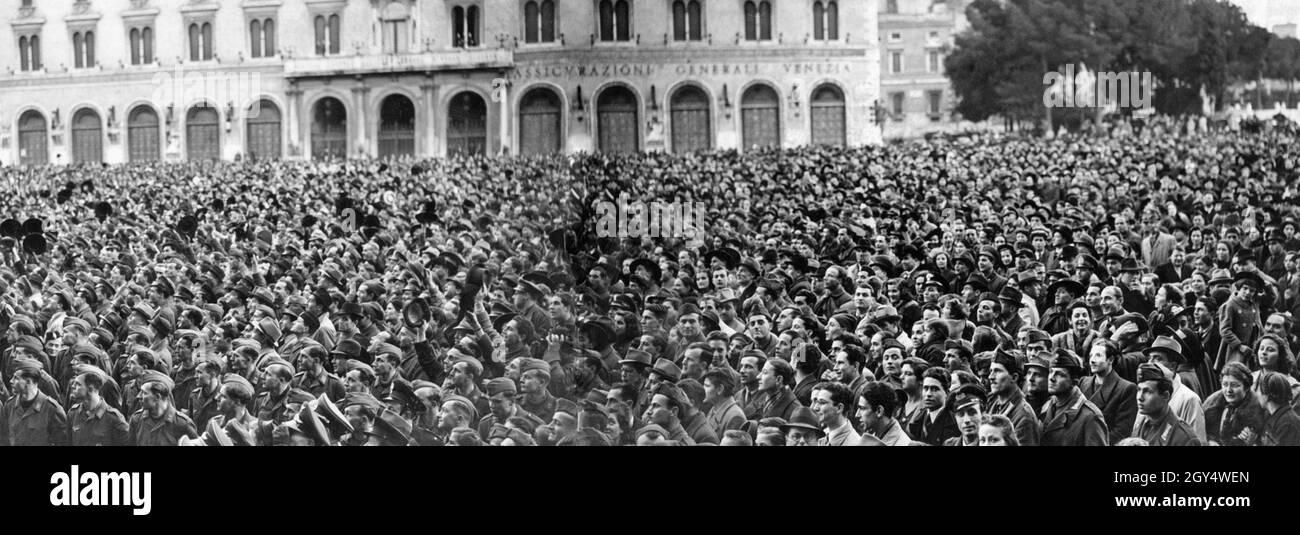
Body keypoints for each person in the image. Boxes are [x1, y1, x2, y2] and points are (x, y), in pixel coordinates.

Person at [1039, 350, 1108, 446]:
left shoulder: (1090, 416)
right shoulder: (1048, 407)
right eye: (1051, 372)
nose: (1051, 378)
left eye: (1059, 374)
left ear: (1074, 381)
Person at [1080, 339, 1138, 446]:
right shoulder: (1083, 382)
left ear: (1110, 360)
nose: (1092, 360)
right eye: (1091, 355)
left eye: (1098, 355)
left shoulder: (1126, 389)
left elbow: (1121, 432)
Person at [1132, 363, 1201, 446]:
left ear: (1165, 396)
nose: (1140, 397)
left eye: (1148, 391)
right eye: (1139, 390)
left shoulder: (1184, 437)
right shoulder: (1140, 425)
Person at [984, 350, 1041, 446]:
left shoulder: (1024, 416)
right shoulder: (993, 402)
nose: (990, 377)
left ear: (1014, 378)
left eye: (997, 371)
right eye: (991, 371)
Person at [1202, 362, 1265, 446]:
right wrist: (1209, 440)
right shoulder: (1212, 405)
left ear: (1246, 387)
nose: (1228, 390)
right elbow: (1199, 430)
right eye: (1225, 384)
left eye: (1234, 385)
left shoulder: (1256, 411)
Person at [2, 367, 69, 446]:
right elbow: (4, 437)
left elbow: (62, 442)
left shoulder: (52, 409)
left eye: (16, 378)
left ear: (28, 381)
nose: (11, 381)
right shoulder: (10, 405)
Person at [66, 370, 130, 446]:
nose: (73, 386)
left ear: (90, 389)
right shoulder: (73, 414)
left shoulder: (114, 419)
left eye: (78, 384)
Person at [907, 367, 959, 445]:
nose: (928, 394)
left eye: (934, 389)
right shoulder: (917, 419)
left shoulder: (954, 422)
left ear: (947, 392)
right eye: (926, 388)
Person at [855, 381, 912, 446]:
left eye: (862, 408)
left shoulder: (903, 443)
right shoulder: (874, 435)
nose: (857, 415)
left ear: (879, 411)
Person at [1255, 371, 1300, 446]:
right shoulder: (1272, 416)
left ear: (1266, 396)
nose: (1256, 395)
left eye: (1259, 392)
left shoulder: (1287, 424)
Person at [702, 368, 746, 433]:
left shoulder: (735, 417)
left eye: (707, 386)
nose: (702, 389)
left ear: (720, 389)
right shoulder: (715, 408)